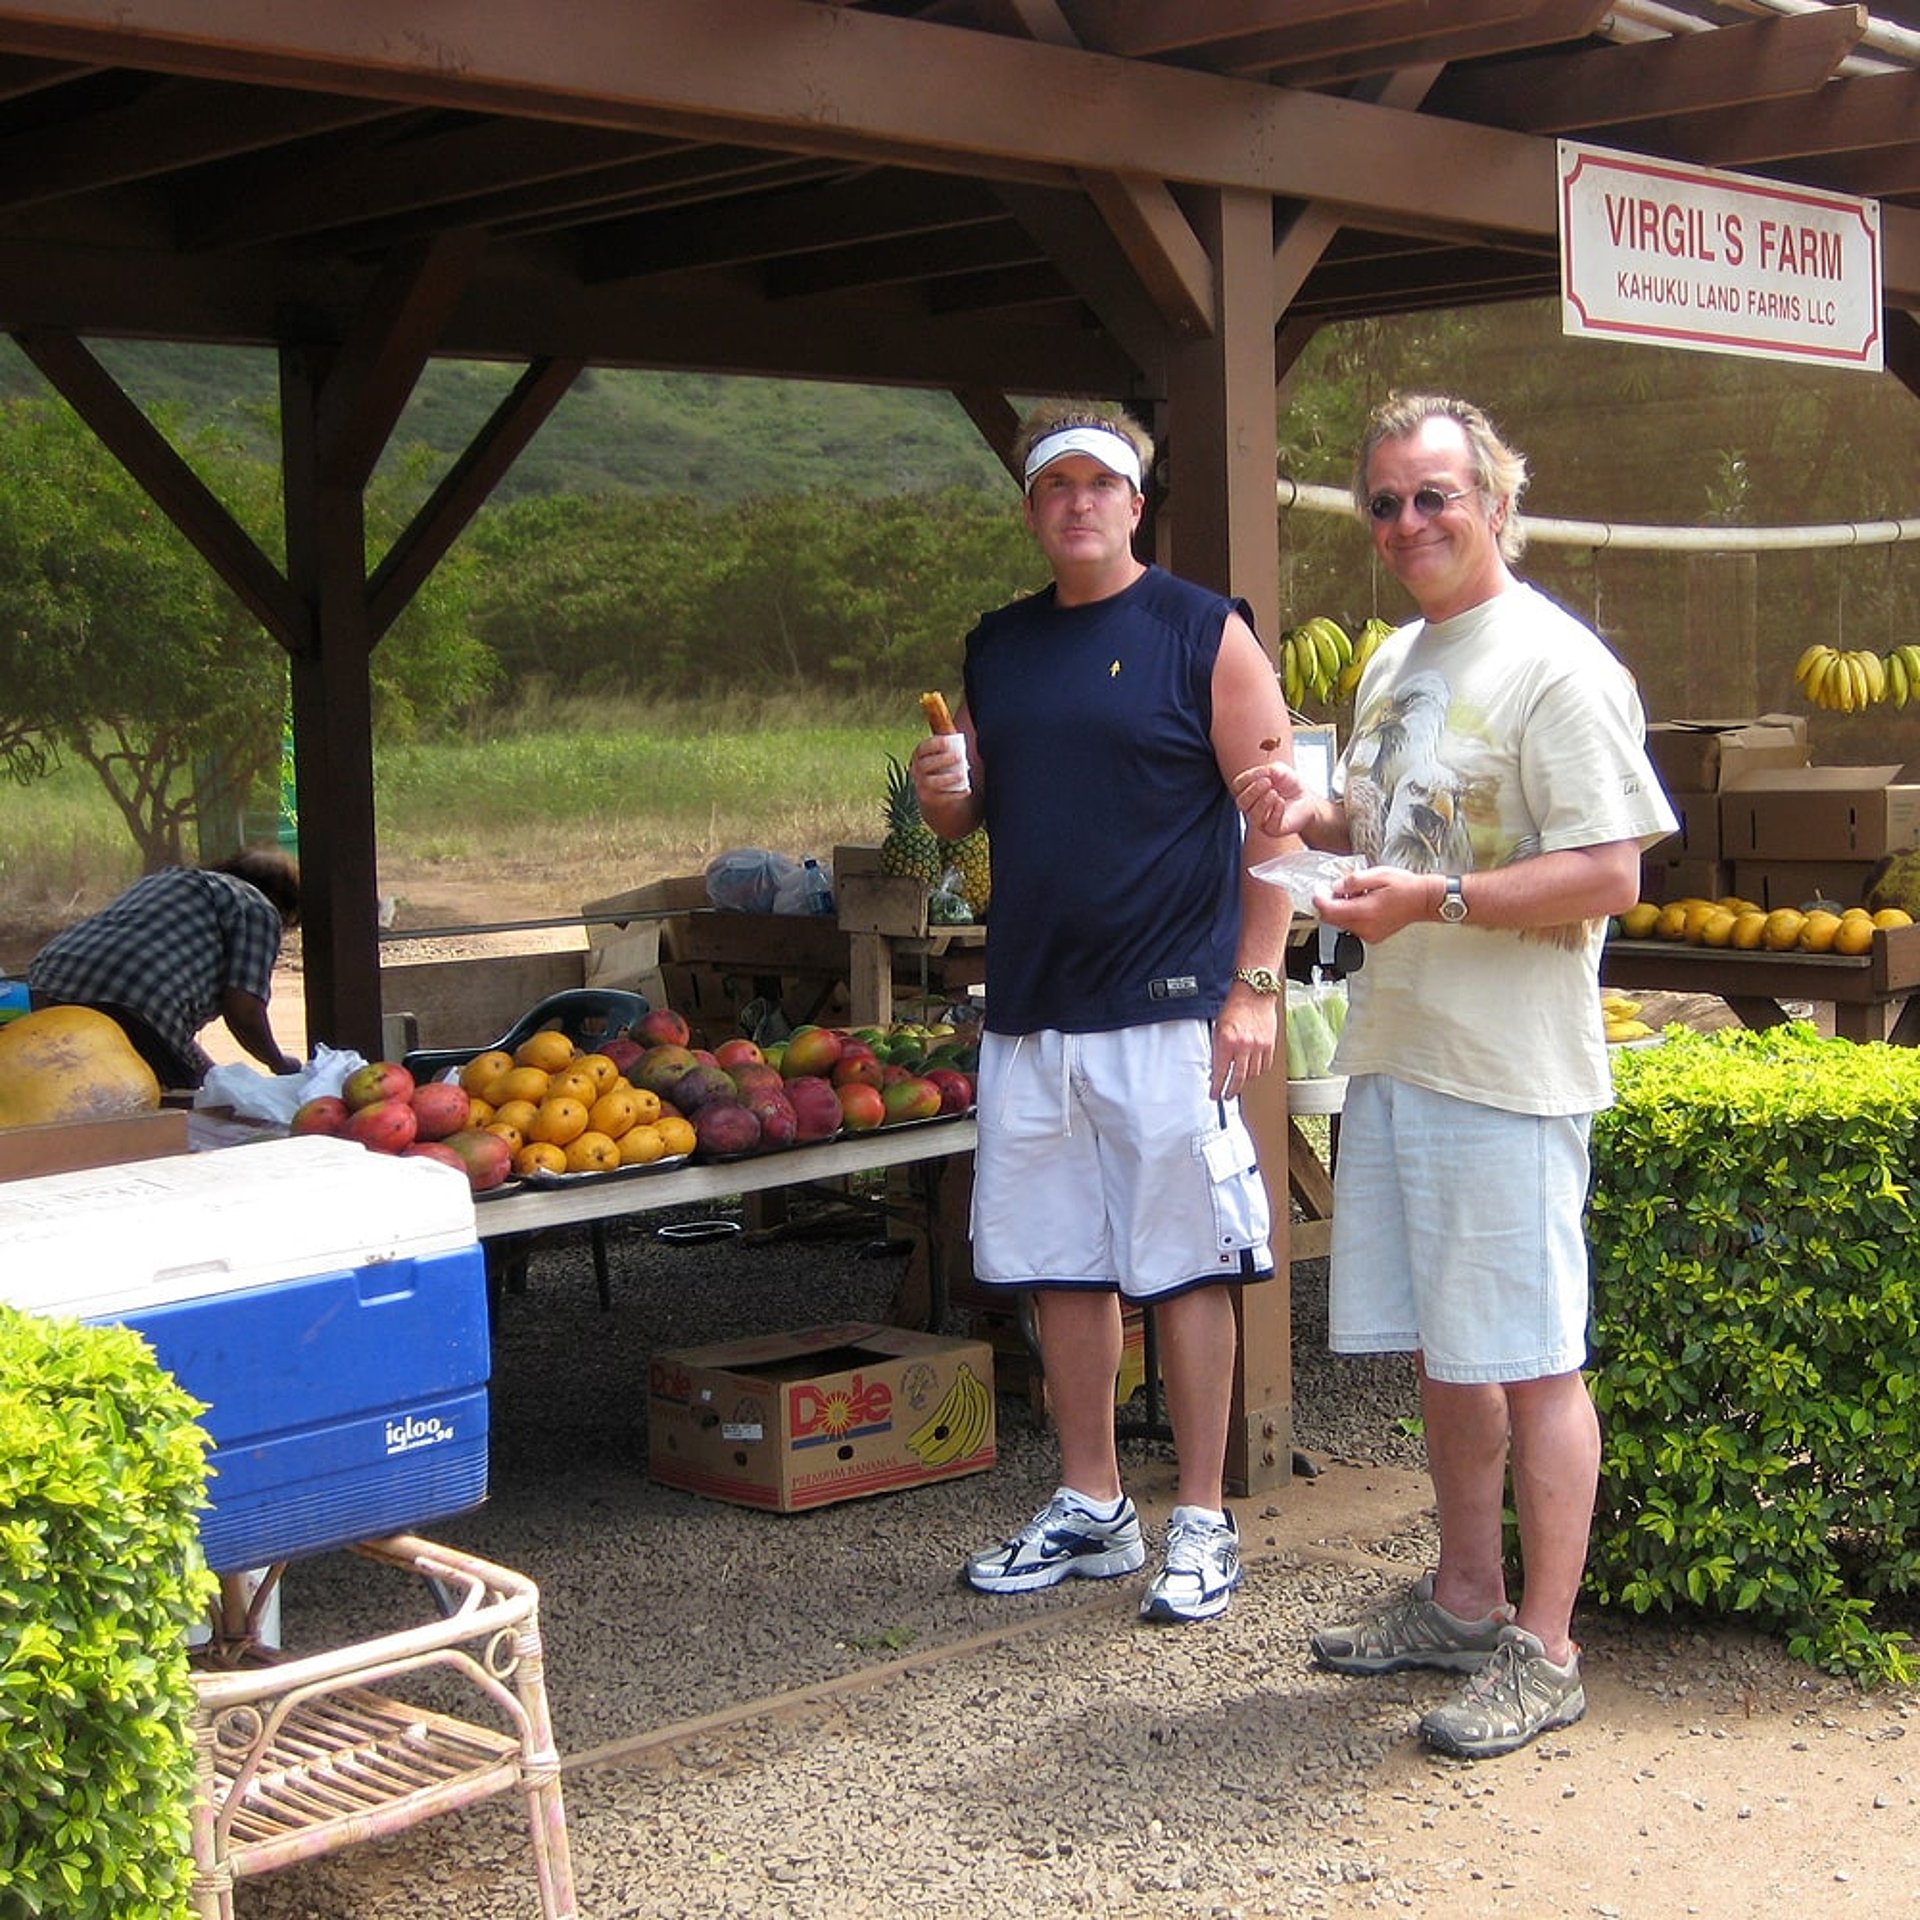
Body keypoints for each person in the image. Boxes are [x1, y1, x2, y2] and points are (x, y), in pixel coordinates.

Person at [1233, 393, 1676, 1756]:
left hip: (1508, 1073)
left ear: (1495, 500)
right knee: (1450, 1352)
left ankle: (1548, 1651)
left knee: (1535, 1362)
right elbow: (1395, 825)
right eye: (1384, 503)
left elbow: (1610, 872)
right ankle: (1464, 1599)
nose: (1408, 522)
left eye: (1434, 495)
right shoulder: (1395, 659)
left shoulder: (1560, 665)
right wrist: (1315, 815)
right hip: (1403, 1052)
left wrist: (1437, 902)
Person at [911, 399, 1296, 1624]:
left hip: (1171, 1009)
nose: (1078, 503)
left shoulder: (1206, 633)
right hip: (1034, 1010)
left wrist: (1255, 983)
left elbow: (1278, 820)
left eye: (1100, 483)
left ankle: (1203, 1518)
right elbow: (964, 815)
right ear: (1033, 511)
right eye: (1055, 486)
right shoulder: (1001, 646)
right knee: (1062, 1263)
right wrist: (939, 790)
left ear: (1136, 502)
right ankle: (1092, 1503)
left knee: (1186, 1263)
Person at [28, 847, 303, 1088]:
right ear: (284, 906)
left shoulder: (167, 880)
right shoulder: (256, 907)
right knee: (160, 1110)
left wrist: (212, 1077)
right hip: (130, 1006)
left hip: (47, 985)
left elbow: (163, 1030)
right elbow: (244, 1012)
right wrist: (279, 1063)